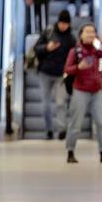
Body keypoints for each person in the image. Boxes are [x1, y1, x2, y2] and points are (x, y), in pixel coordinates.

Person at [63, 23, 102, 164]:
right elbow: (67, 69)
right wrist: (78, 67)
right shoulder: (75, 52)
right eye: (87, 32)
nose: (90, 34)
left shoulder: (96, 50)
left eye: (93, 32)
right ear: (81, 34)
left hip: (96, 91)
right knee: (76, 123)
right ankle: (70, 151)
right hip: (80, 90)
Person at [34, 8, 76, 139]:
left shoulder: (71, 39)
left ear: (69, 24)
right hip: (45, 73)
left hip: (61, 75)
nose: (63, 26)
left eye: (65, 24)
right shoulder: (49, 32)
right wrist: (47, 48)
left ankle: (62, 128)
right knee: (45, 104)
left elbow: (74, 56)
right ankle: (49, 129)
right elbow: (36, 48)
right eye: (61, 23)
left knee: (60, 103)